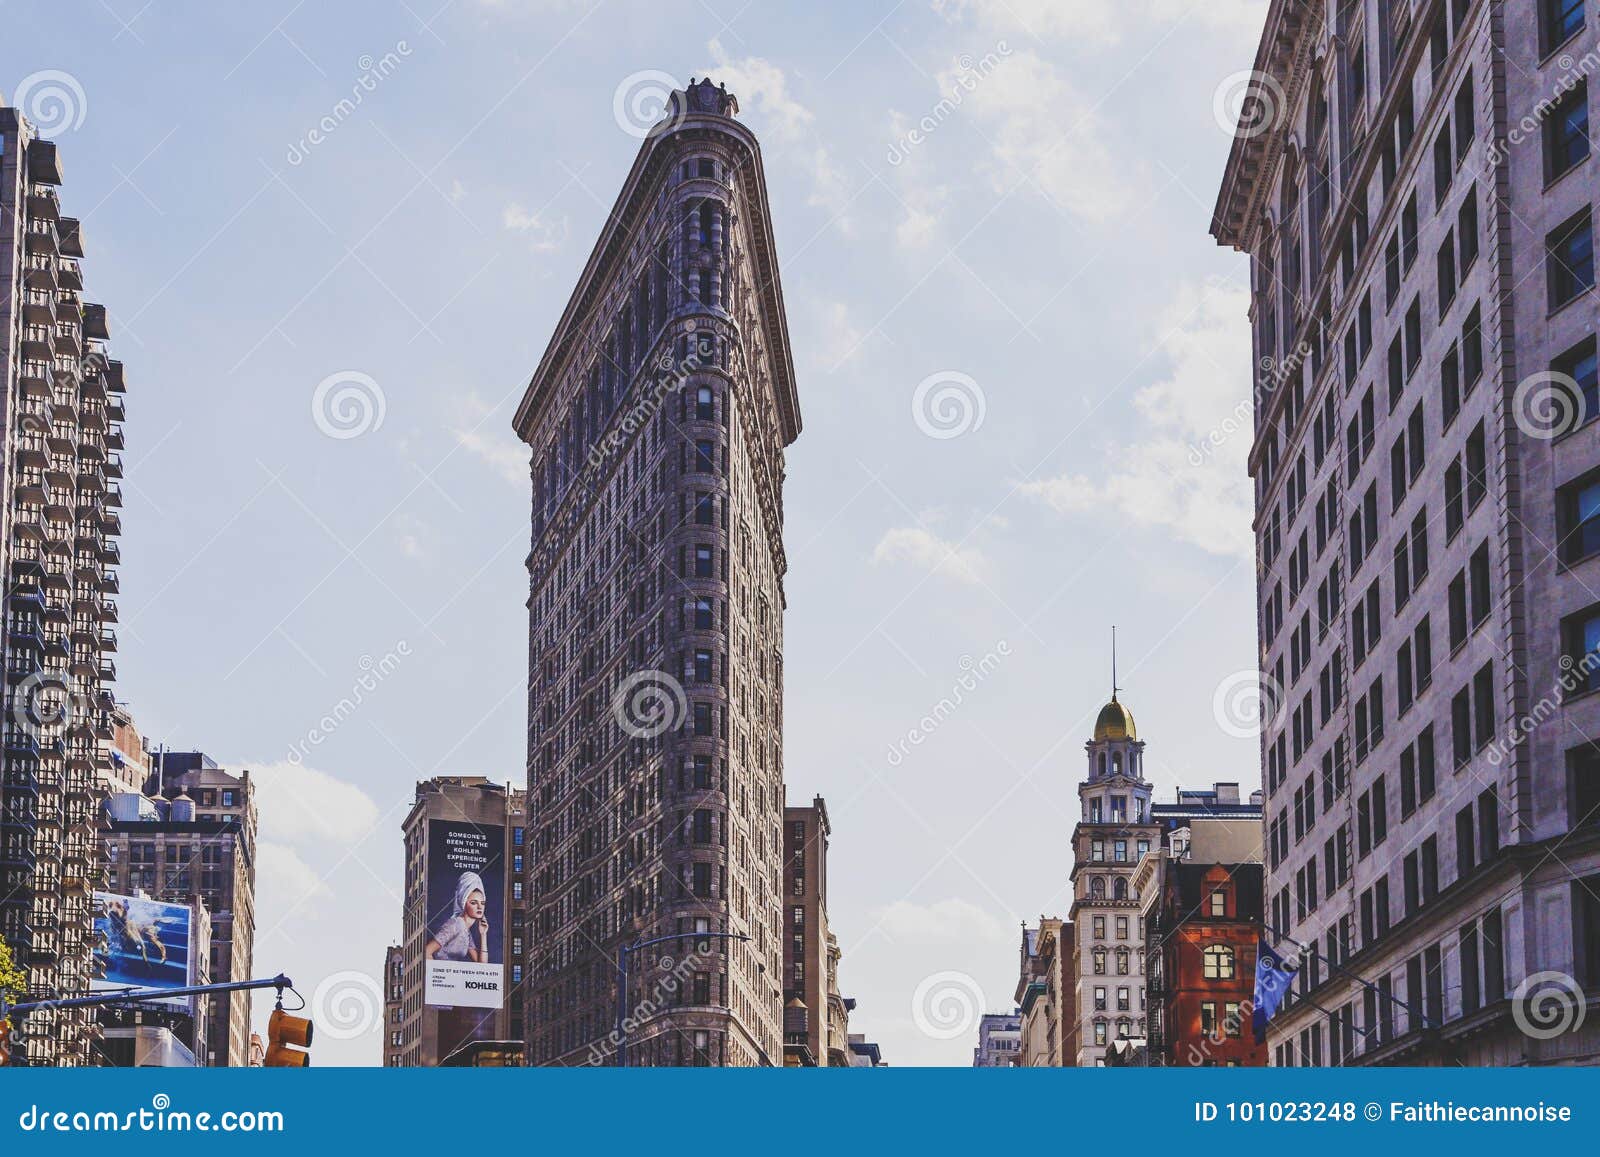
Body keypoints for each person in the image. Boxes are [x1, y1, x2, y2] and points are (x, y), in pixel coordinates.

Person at [425, 871, 491, 962]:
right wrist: (438, 973)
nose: (480, 907)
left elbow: (482, 967)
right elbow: (427, 951)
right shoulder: (456, 924)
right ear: (463, 903)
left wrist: (483, 935)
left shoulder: (466, 931)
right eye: (473, 903)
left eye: (482, 903)